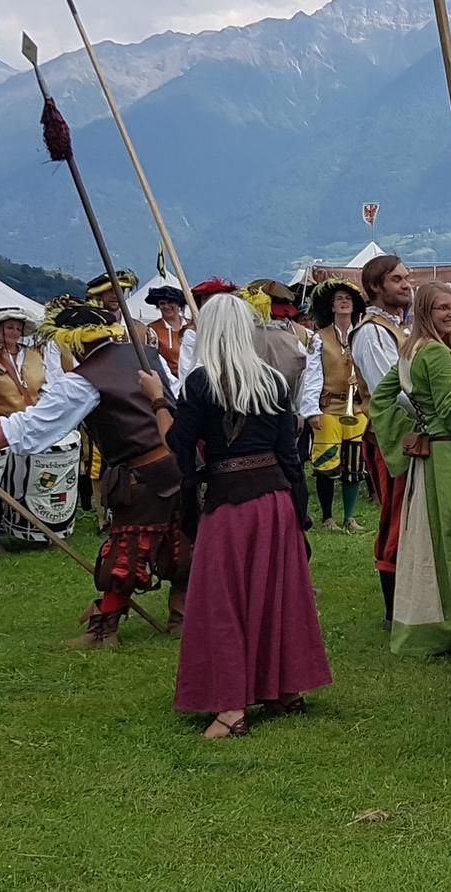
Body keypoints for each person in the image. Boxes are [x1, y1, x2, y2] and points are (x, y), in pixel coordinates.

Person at [0, 298, 187, 648]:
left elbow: (34, 425)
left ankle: (104, 631)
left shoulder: (86, 379)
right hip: (179, 463)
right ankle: (181, 619)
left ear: (74, 339)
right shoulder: (145, 355)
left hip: (143, 474)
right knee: (179, 541)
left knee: (129, 549)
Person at [169, 294, 329, 738]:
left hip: (231, 507)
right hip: (275, 501)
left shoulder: (201, 384)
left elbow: (179, 451)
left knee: (226, 603)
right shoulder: (273, 382)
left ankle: (232, 708)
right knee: (276, 594)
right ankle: (284, 690)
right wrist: (299, 515)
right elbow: (289, 457)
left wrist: (161, 405)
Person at [370, 283, 451, 656]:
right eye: (441, 308)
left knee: (436, 540)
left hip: (430, 458)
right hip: (450, 456)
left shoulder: (410, 350)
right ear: (425, 312)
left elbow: (382, 398)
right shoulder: (435, 354)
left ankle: (444, 622)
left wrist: (410, 431)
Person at [0, 306, 64, 554]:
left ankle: (37, 529)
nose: (14, 332)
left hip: (29, 425)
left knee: (32, 479)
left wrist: (45, 408)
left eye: (18, 328)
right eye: (9, 327)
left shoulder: (34, 356)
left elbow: (46, 384)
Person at [357, 255, 414, 626]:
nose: (406, 284)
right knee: (395, 517)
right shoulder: (372, 332)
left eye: (406, 278)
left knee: (411, 515)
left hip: (413, 433)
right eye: (396, 279)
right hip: (391, 436)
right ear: (376, 287)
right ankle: (394, 610)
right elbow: (389, 391)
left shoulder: (401, 328)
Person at [298, 280, 371, 532]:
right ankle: (328, 517)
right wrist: (311, 411)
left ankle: (350, 517)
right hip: (328, 408)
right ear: (331, 305)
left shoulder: (363, 334)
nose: (344, 302)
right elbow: (312, 375)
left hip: (357, 408)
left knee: (355, 466)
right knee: (326, 465)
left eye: (348, 299)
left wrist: (360, 379)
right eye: (339, 298)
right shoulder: (319, 338)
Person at [144, 284, 190, 382]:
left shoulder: (193, 326)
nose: (166, 306)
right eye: (162, 303)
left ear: (179, 304)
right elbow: (153, 361)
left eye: (171, 302)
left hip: (196, 379)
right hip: (169, 383)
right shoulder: (152, 330)